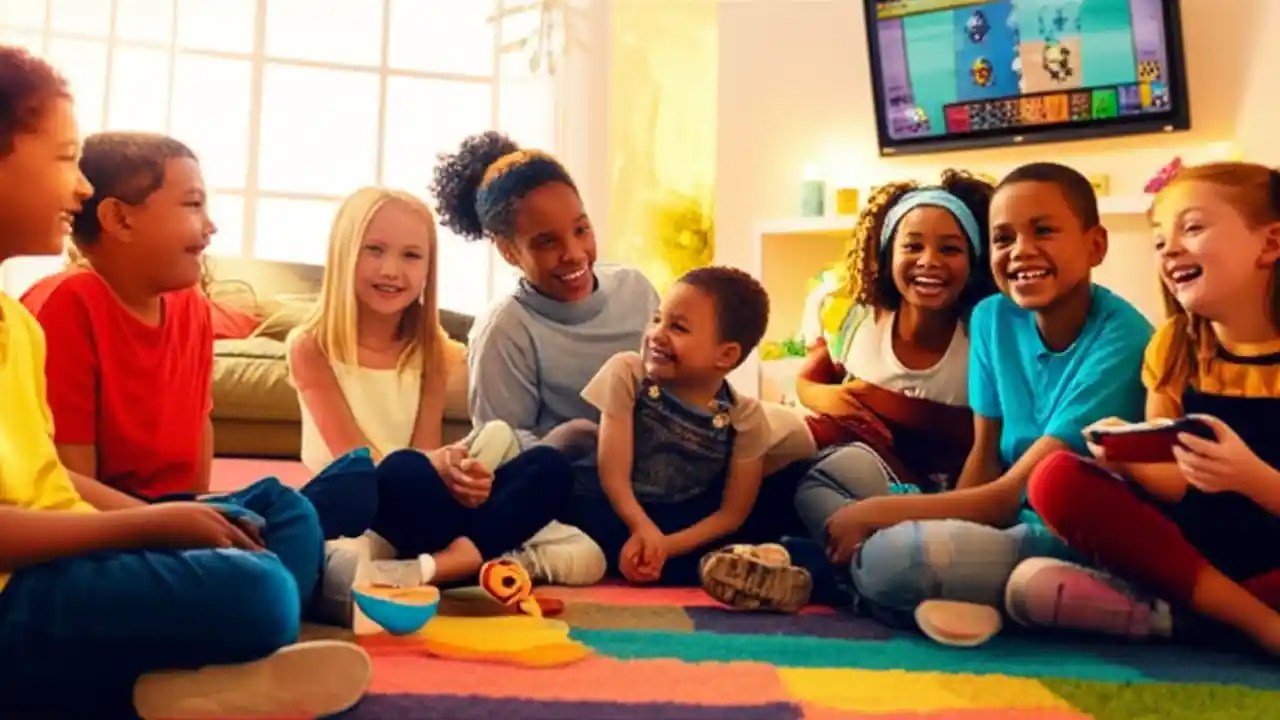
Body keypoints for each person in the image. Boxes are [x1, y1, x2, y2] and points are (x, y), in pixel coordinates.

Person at [0, 47, 369, 719]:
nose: (79, 188)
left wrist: (182, 521)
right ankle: (186, 662)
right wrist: (149, 526)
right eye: (62, 159)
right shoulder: (55, 308)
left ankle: (174, 681)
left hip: (71, 550)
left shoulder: (14, 330)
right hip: (21, 591)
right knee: (254, 593)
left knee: (278, 514)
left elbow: (51, 489)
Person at [809, 162, 1153, 644]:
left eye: (1044, 231)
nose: (1021, 251)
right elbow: (984, 457)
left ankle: (838, 580)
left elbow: (1009, 493)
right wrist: (934, 521)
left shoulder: (1124, 338)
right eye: (1003, 237)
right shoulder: (993, 317)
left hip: (1061, 532)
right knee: (826, 474)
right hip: (1000, 517)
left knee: (893, 560)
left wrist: (875, 517)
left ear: (1095, 244)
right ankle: (932, 592)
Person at [287, 187, 603, 616]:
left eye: (411, 256)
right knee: (401, 476)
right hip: (364, 506)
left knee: (555, 484)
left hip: (425, 508)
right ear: (344, 253)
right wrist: (435, 465)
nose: (391, 270)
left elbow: (427, 450)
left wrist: (457, 472)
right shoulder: (311, 348)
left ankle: (440, 566)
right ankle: (486, 558)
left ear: (428, 269)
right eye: (374, 250)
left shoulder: (431, 349)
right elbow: (356, 462)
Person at [1022, 162, 1280, 656]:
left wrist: (1252, 478)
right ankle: (1252, 623)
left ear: (1269, 245)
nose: (1170, 250)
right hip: (1196, 552)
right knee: (1055, 478)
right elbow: (1174, 486)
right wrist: (1127, 453)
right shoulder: (1173, 346)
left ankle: (1183, 617)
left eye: (1193, 227)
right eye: (1160, 240)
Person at [756, 171, 997, 607]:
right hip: (866, 477)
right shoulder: (864, 321)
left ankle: (817, 567)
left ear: (975, 259)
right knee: (813, 480)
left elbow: (978, 439)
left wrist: (872, 401)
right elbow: (809, 381)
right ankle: (860, 566)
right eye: (912, 246)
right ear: (886, 255)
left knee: (835, 469)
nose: (929, 260)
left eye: (950, 249)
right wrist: (842, 400)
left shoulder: (982, 335)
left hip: (942, 495)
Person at [567, 266, 808, 607]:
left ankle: (763, 567)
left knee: (787, 488)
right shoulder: (627, 373)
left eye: (677, 327)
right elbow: (613, 477)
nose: (657, 334)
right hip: (619, 509)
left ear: (726, 355)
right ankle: (713, 566)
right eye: (656, 319)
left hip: (683, 526)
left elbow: (731, 514)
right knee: (562, 479)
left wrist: (664, 546)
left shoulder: (745, 418)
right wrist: (644, 531)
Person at [431, 131, 660, 452]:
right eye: (547, 242)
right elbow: (502, 450)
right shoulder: (504, 331)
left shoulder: (636, 290)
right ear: (508, 250)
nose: (575, 253)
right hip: (572, 487)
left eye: (581, 229)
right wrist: (570, 439)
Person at [21, 131, 219, 500]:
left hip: (178, 518)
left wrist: (204, 521)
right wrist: (177, 529)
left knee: (289, 508)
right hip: (105, 529)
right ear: (119, 219)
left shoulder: (191, 303)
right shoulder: (68, 304)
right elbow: (69, 491)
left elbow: (199, 428)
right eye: (193, 205)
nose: (210, 227)